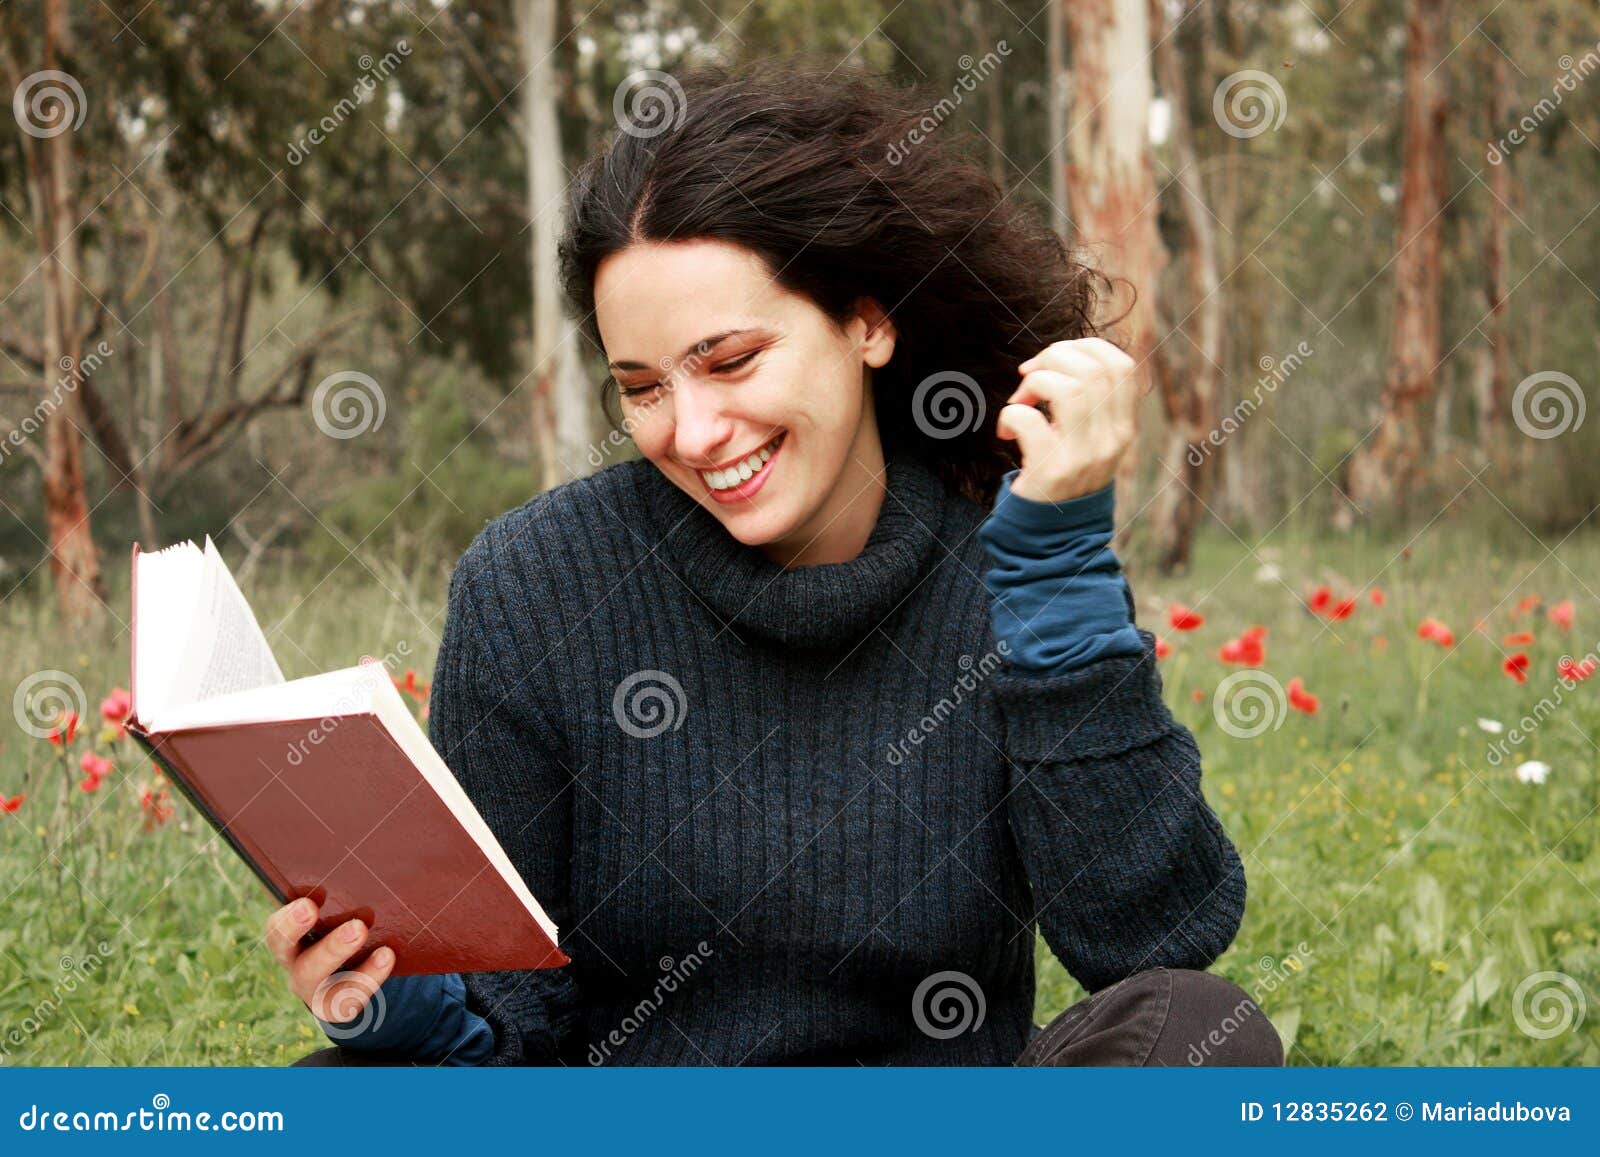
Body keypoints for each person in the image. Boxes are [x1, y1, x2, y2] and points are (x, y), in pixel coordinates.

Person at [270, 59, 1281, 1068]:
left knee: (1200, 1033)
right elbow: (509, 1028)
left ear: (867, 320)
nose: (695, 431)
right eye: (644, 386)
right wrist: (405, 1009)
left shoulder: (1011, 563)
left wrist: (1060, 578)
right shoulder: (535, 583)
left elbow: (1156, 940)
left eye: (729, 361)